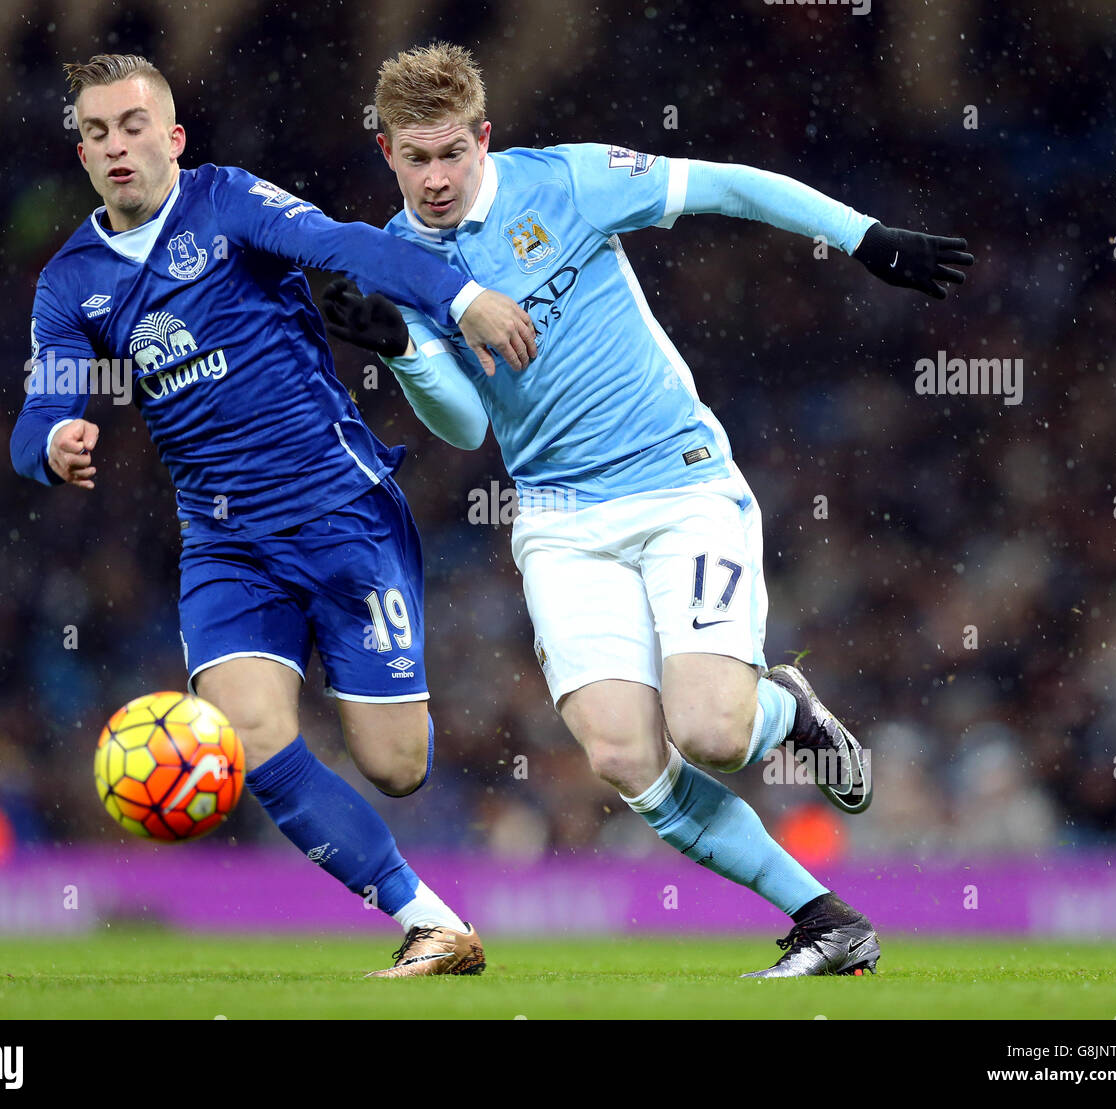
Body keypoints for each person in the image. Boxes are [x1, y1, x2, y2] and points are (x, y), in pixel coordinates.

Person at [324, 42, 973, 977]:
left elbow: (728, 185)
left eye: (451, 154)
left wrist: (866, 237)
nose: (434, 178)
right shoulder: (395, 261)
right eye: (414, 157)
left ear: (483, 139)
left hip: (678, 484)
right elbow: (465, 426)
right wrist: (403, 348)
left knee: (712, 730)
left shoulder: (572, 182)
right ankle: (828, 922)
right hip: (557, 519)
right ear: (386, 150)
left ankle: (784, 712)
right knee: (627, 756)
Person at [10, 53, 538, 978]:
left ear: (172, 138)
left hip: (339, 511)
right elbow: (40, 407)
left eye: (134, 126)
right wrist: (52, 445)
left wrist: (461, 296)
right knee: (250, 735)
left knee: (397, 764)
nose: (116, 146)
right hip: (224, 540)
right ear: (84, 155)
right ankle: (432, 922)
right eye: (96, 133)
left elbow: (346, 247)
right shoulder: (71, 282)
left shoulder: (227, 202)